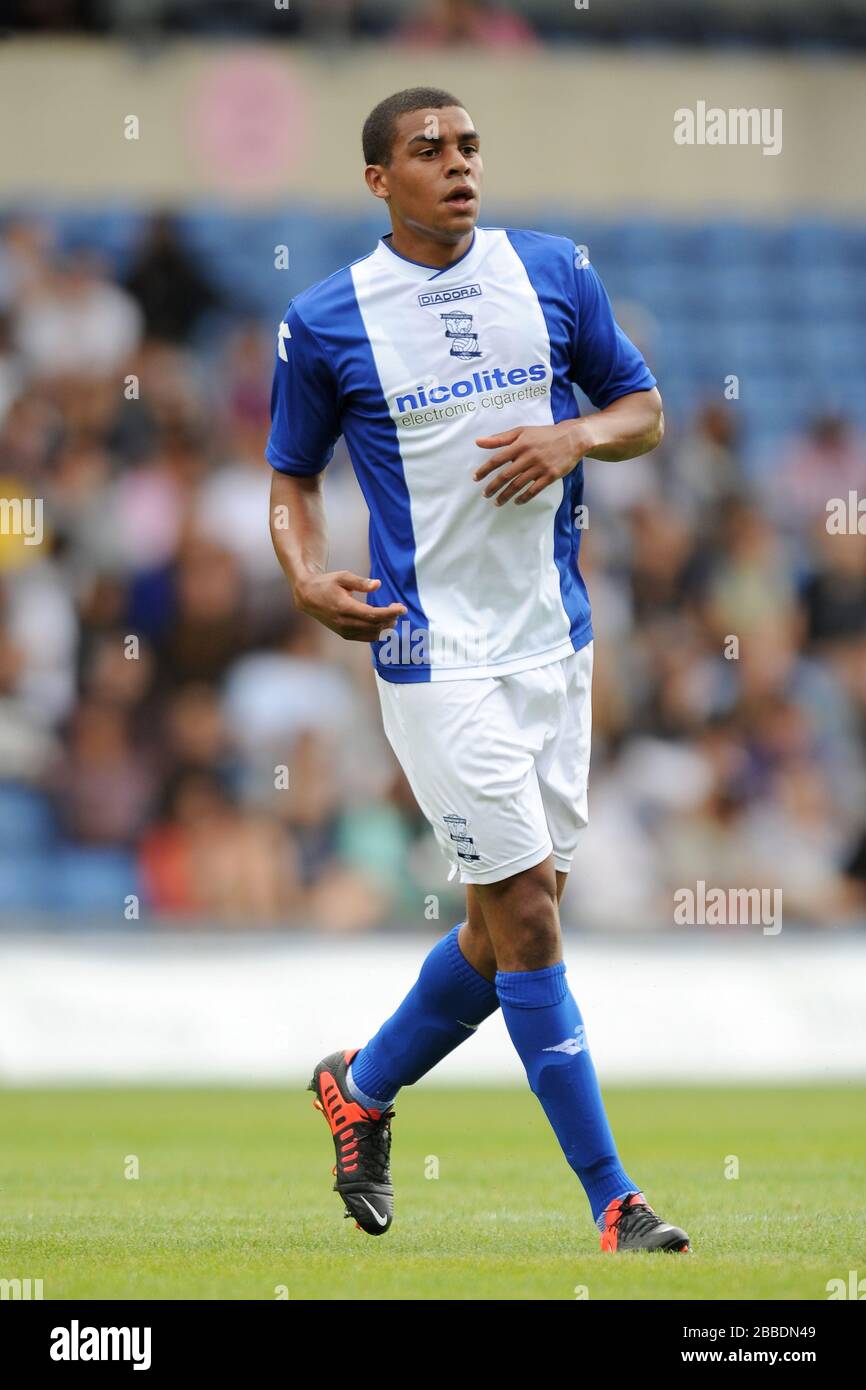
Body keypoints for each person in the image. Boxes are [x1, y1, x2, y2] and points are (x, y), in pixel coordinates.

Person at [266, 87, 690, 1253]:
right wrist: (306, 577)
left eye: (467, 146)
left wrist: (573, 434)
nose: (457, 164)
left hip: (552, 640)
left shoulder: (551, 268)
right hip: (424, 645)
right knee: (531, 920)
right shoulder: (326, 318)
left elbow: (642, 408)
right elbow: (290, 479)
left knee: (506, 918)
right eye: (426, 150)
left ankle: (359, 1084)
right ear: (376, 182)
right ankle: (615, 1203)